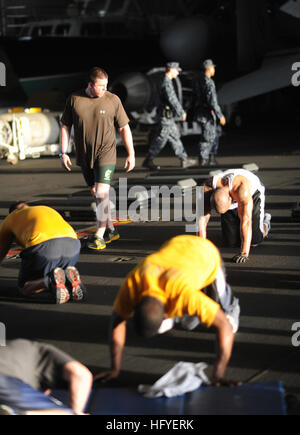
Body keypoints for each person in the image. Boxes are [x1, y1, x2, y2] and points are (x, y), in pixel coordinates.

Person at [95, 235, 241, 386]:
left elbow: (224, 326)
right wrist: (114, 368)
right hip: (176, 245)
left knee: (229, 321)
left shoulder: (183, 294)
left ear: (166, 314)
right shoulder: (133, 283)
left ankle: (231, 304)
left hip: (205, 253)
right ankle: (180, 317)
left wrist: (218, 374)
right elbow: (117, 321)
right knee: (188, 324)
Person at [59, 66, 135, 251]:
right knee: (98, 194)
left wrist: (131, 153)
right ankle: (110, 228)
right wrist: (63, 152)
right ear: (90, 85)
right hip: (84, 155)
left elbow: (124, 128)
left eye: (106, 86)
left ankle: (99, 234)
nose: (104, 89)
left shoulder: (112, 100)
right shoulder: (74, 99)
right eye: (100, 86)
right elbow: (65, 126)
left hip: (106, 153)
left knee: (102, 193)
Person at [0, 201, 86, 304]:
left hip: (44, 248)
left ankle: (48, 281)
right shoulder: (47, 209)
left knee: (25, 288)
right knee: (58, 274)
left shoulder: (11, 218)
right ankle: (68, 282)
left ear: (12, 212)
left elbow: (1, 251)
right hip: (73, 246)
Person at [0, 339, 93, 415]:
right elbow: (81, 374)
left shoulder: (20, 350)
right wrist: (76, 411)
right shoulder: (44, 352)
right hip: (7, 380)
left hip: (9, 385)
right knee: (65, 413)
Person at [198, 169, 272, 263]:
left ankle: (266, 222)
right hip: (229, 195)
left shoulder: (242, 190)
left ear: (230, 200)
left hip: (253, 193)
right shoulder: (206, 188)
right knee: (230, 242)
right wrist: (200, 247)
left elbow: (246, 221)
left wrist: (244, 252)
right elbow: (201, 219)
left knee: (254, 241)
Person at [142, 62, 197, 171]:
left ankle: (184, 159)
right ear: (171, 69)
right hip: (165, 116)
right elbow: (172, 98)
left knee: (175, 136)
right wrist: (181, 112)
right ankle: (149, 160)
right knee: (161, 139)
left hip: (166, 116)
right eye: (177, 70)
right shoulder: (166, 82)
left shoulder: (163, 80)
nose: (178, 72)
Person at [193, 59, 226, 167]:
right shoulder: (209, 82)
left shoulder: (198, 80)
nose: (214, 69)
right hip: (207, 114)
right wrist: (220, 115)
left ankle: (211, 158)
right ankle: (203, 160)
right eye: (213, 67)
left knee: (212, 135)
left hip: (201, 112)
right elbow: (213, 101)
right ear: (209, 68)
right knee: (207, 137)